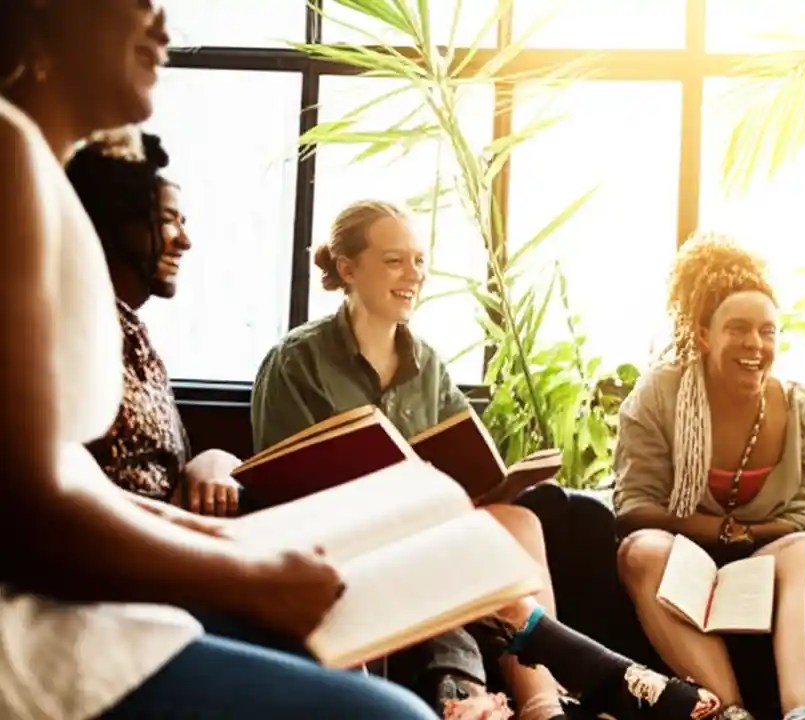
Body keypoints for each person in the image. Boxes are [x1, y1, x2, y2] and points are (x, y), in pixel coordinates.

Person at [0, 2, 436, 718]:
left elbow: (70, 474)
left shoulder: (34, 170)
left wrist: (248, 553)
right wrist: (248, 573)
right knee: (396, 716)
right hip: (29, 625)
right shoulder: (9, 159)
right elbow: (31, 514)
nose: (162, 23)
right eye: (138, 0)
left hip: (75, 592)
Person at [252, 199, 720, 720]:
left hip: (425, 533)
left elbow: (465, 453)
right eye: (394, 261)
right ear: (347, 268)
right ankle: (568, 675)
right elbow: (285, 485)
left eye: (420, 261)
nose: (414, 275)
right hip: (340, 539)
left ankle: (541, 704)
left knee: (514, 520)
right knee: (446, 549)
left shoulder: (426, 363)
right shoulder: (297, 362)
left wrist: (488, 485)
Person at [611, 233, 805, 720]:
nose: (755, 344)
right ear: (705, 334)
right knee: (641, 551)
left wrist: (746, 538)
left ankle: (802, 711)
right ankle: (730, 710)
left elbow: (802, 518)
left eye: (767, 331)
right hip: (680, 549)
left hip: (764, 551)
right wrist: (718, 534)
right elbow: (634, 508)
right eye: (738, 328)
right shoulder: (660, 394)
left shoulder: (801, 409)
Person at [66, 127, 243, 516]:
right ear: (113, 224)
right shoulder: (71, 334)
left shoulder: (132, 333)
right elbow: (71, 496)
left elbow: (165, 472)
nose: (185, 240)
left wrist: (214, 459)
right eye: (168, 220)